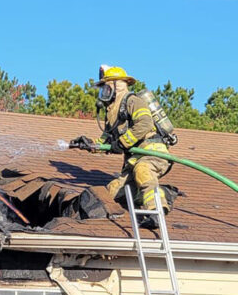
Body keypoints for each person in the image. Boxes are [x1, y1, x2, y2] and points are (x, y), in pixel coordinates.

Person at [71, 65, 177, 228]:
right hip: (134, 160)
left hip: (153, 153)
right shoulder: (112, 112)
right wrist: (87, 144)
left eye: (105, 87)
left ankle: (157, 210)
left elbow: (145, 123)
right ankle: (162, 192)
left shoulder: (132, 101)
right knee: (112, 191)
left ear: (116, 85)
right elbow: (107, 141)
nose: (103, 92)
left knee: (142, 171)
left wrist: (123, 142)